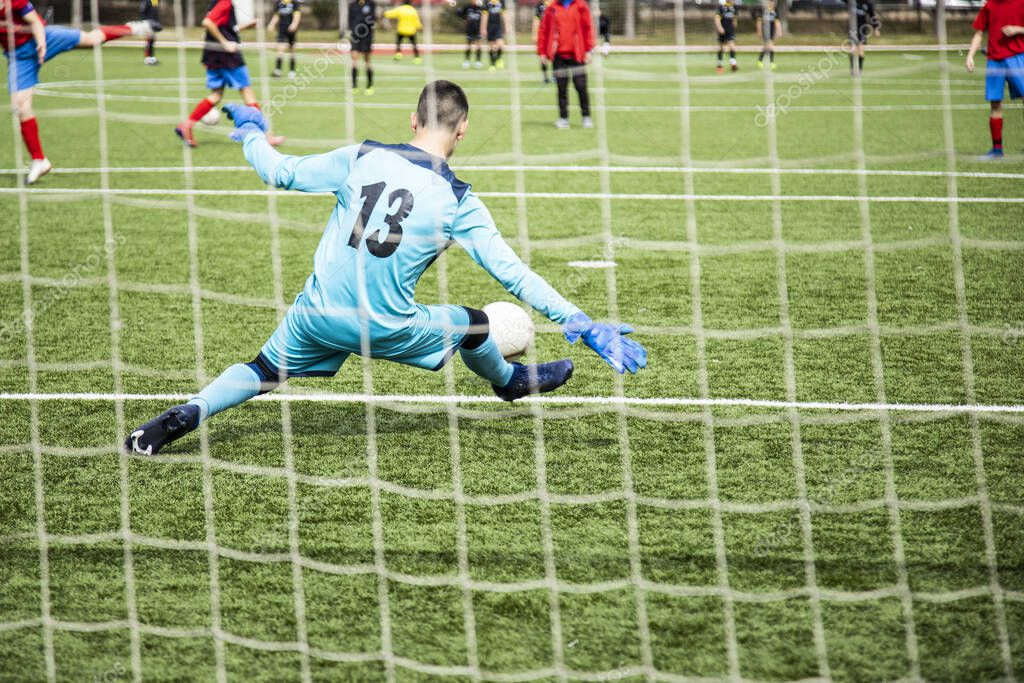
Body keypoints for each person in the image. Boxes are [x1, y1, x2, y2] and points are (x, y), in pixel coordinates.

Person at [123, 81, 647, 456]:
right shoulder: (460, 200)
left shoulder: (362, 156)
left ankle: (182, 415)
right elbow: (512, 273)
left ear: (413, 120)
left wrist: (255, 131)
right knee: (475, 323)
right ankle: (509, 381)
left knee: (261, 371)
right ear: (463, 130)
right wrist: (579, 321)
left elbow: (279, 173)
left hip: (316, 315)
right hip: (386, 327)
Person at [2, 0, 158, 184]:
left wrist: (42, 43)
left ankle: (134, 28)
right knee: (21, 107)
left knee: (92, 40)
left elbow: (35, 21)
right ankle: (39, 161)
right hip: (19, 57)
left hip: (45, 38)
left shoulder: (15, 1)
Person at [174, 0, 284, 148]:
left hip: (213, 55)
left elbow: (224, 27)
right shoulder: (225, 1)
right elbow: (208, 23)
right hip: (228, 57)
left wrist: (245, 26)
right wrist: (225, 43)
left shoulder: (214, 2)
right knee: (248, 95)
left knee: (216, 95)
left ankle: (186, 125)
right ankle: (267, 136)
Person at [966, 0, 1024, 159]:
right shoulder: (989, 5)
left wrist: (1018, 29)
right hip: (994, 61)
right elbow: (979, 32)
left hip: (1018, 58)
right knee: (995, 104)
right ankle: (997, 150)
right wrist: (970, 55)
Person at [536, 0, 595, 129]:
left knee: (581, 85)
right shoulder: (551, 8)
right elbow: (544, 30)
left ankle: (586, 117)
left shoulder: (580, 6)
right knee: (561, 88)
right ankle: (563, 118)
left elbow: (588, 28)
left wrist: (589, 49)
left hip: (577, 54)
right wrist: (542, 52)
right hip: (559, 55)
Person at [348, 0, 377, 93]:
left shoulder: (371, 4)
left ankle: (369, 85)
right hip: (355, 36)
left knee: (367, 59)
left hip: (367, 36)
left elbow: (373, 19)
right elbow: (350, 20)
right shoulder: (353, 5)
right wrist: (351, 31)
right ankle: (354, 86)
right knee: (354, 58)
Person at [268, 0, 302, 78]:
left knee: (292, 50)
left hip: (291, 30)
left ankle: (292, 72)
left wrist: (294, 24)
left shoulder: (294, 3)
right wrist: (272, 24)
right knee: (280, 49)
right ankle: (278, 71)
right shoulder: (278, 3)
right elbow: (276, 15)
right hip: (282, 29)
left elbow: (297, 15)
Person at [849, 0, 879, 75]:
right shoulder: (852, 1)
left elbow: (872, 16)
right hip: (852, 29)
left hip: (862, 30)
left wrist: (876, 28)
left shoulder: (867, 3)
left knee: (861, 49)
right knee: (852, 49)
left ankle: (859, 70)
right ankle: (853, 69)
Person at [452, 0, 483, 69]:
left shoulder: (480, 8)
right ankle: (467, 61)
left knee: (478, 46)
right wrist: (465, 18)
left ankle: (478, 61)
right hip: (470, 29)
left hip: (478, 29)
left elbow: (485, 16)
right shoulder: (468, 7)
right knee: (469, 45)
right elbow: (459, 12)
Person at [481, 0, 506, 71]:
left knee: (500, 44)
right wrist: (483, 28)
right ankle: (492, 64)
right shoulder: (486, 2)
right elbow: (484, 16)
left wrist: (507, 26)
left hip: (498, 26)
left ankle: (498, 59)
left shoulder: (501, 1)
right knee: (491, 46)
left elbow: (504, 14)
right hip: (489, 27)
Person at [755, 0, 781, 70]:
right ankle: (771, 62)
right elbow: (759, 22)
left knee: (766, 46)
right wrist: (759, 32)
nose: (772, 4)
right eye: (771, 2)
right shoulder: (764, 11)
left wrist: (779, 31)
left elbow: (777, 22)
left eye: (774, 2)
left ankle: (760, 60)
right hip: (765, 31)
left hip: (772, 31)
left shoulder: (775, 12)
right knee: (770, 46)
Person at [714, 0, 739, 73]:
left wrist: (734, 27)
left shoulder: (734, 7)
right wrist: (719, 28)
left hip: (730, 30)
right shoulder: (721, 7)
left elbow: (735, 19)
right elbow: (717, 18)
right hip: (722, 30)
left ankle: (733, 63)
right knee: (721, 47)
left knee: (732, 46)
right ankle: (719, 64)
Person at [532, 0, 550, 81]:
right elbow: (536, 20)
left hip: (554, 33)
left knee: (556, 55)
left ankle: (556, 75)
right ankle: (545, 77)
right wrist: (534, 34)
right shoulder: (540, 5)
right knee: (542, 55)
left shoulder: (556, 3)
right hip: (542, 33)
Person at [139, 0, 161, 65]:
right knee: (149, 41)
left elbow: (155, 12)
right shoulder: (146, 1)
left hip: (154, 24)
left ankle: (152, 58)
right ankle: (147, 58)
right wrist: (145, 23)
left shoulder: (155, 1)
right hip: (148, 23)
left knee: (152, 41)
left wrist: (156, 22)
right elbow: (142, 12)